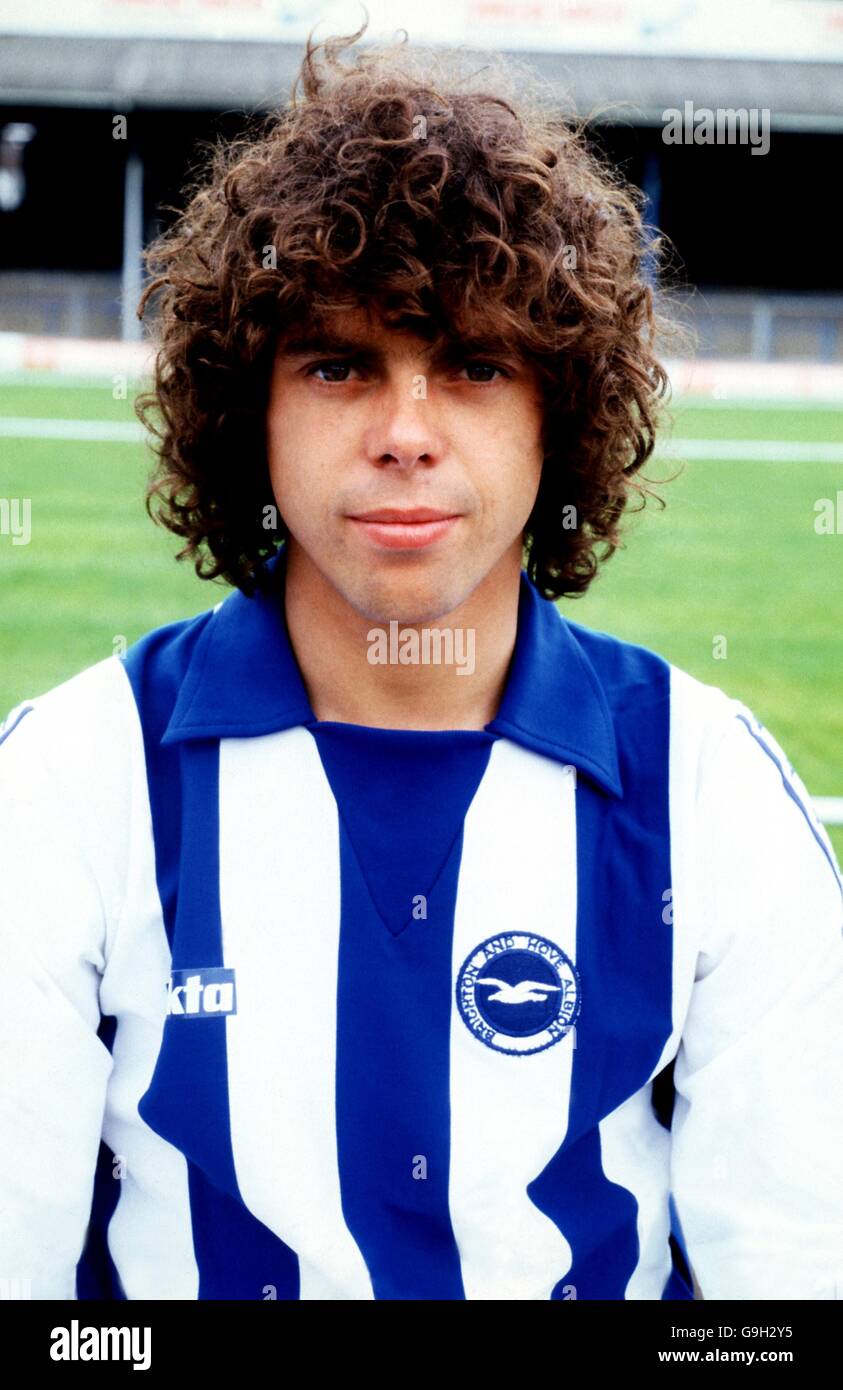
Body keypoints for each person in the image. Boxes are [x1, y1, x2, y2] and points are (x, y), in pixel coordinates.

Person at [1, 29, 840, 1302]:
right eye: (339, 365)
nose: (405, 432)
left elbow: (785, 1280)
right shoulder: (73, 779)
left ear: (559, 414)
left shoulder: (711, 788)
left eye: (474, 366)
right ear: (251, 411)